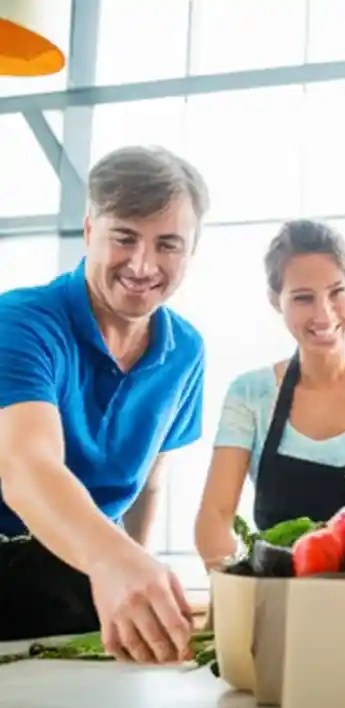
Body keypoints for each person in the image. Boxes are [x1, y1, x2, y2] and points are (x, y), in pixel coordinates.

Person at [0, 145, 208, 661]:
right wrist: (117, 562)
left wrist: (138, 567)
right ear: (91, 230)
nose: (143, 264)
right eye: (125, 238)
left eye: (168, 245)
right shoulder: (22, 322)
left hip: (82, 578)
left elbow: (150, 481)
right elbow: (26, 466)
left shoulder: (186, 351)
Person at [194, 219, 345, 568]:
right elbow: (215, 516)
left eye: (336, 292)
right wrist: (230, 584)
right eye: (303, 298)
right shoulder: (249, 395)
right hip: (280, 603)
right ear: (276, 301)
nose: (324, 313)